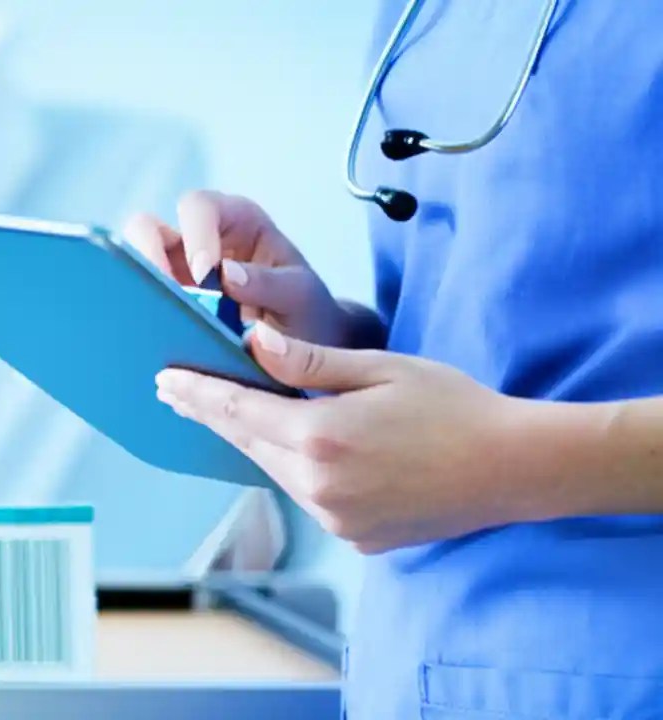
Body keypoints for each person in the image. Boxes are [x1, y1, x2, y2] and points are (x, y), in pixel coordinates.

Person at [126, 1, 663, 718]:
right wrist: (309, 332)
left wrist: (508, 463)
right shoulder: (423, 15)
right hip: (411, 663)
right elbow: (472, 329)